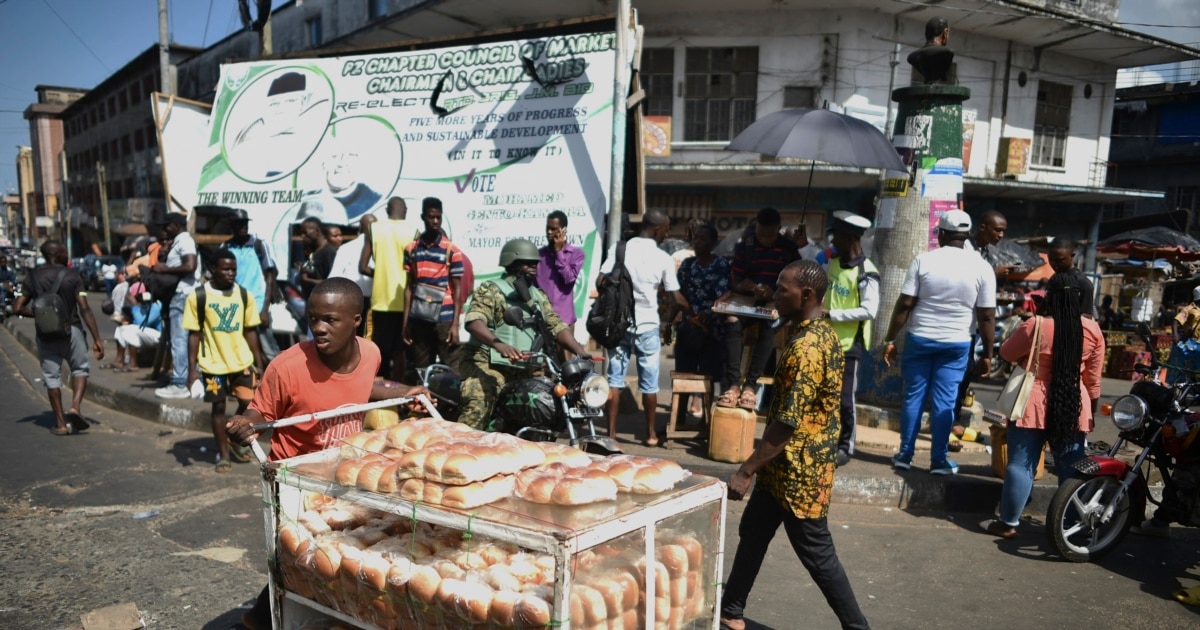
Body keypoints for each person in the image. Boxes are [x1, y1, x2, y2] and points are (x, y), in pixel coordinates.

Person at [225, 277, 430, 630]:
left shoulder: (371, 353)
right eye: (313, 319)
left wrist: (404, 390)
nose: (319, 328)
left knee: (340, 554)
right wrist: (244, 425)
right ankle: (257, 620)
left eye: (330, 320)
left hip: (345, 475)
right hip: (296, 483)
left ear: (356, 320)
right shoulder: (287, 366)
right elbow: (259, 413)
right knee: (298, 554)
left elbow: (368, 384)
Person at [721, 260, 870, 630]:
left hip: (800, 476)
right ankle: (731, 609)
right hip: (781, 468)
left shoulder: (807, 348)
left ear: (805, 295)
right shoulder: (821, 332)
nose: (774, 294)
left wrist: (745, 470)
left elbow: (787, 422)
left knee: (818, 556)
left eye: (782, 289)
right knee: (754, 532)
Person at [979, 271, 1104, 538]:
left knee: (1021, 464)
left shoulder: (1036, 324)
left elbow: (1006, 353)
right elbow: (1093, 381)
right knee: (1071, 468)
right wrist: (1090, 413)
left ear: (1050, 296)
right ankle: (1070, 527)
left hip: (1032, 402)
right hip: (1073, 405)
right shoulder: (1093, 330)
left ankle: (1008, 523)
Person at [881, 210, 996, 474]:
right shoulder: (982, 267)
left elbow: (905, 304)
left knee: (914, 397)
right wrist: (988, 355)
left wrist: (890, 339)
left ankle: (905, 455)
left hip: (920, 338)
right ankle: (938, 461)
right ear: (967, 235)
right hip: (957, 344)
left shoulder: (923, 260)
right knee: (945, 402)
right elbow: (987, 316)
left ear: (941, 234)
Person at [458, 239, 589, 430]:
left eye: (535, 263)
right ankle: (461, 442)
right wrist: (498, 344)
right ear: (512, 264)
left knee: (544, 406)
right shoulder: (492, 289)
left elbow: (557, 326)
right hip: (486, 364)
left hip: (523, 370)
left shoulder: (537, 296)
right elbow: (474, 321)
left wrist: (580, 351)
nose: (534, 267)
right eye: (527, 264)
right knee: (480, 403)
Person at [601, 210, 686, 446]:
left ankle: (611, 434)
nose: (667, 234)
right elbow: (676, 298)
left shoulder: (620, 249)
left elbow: (601, 280)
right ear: (657, 229)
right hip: (648, 325)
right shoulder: (662, 258)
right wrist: (691, 313)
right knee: (650, 385)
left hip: (620, 324)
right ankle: (650, 434)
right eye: (666, 229)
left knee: (614, 380)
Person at [14, 240, 105, 435]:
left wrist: (41, 315)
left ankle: (61, 424)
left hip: (45, 334)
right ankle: (75, 407)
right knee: (80, 369)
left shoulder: (32, 277)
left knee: (52, 378)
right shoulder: (72, 275)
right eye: (64, 252)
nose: (67, 254)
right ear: (58, 255)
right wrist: (97, 338)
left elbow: (18, 307)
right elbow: (85, 308)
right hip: (72, 330)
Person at [185, 249, 264, 472]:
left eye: (234, 270)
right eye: (226, 269)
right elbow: (193, 334)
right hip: (213, 364)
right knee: (218, 407)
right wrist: (191, 370)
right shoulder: (198, 296)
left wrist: (259, 362)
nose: (231, 273)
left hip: (242, 361)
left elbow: (250, 330)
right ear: (213, 269)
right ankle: (223, 454)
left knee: (249, 403)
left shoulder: (244, 295)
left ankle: (233, 436)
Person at [717, 207, 799, 411]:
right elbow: (734, 281)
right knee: (731, 321)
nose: (763, 239)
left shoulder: (788, 249)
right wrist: (742, 285)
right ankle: (734, 384)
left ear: (778, 230)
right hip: (747, 301)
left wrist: (774, 293)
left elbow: (797, 284)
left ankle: (750, 386)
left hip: (775, 304)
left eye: (768, 236)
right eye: (760, 234)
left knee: (770, 325)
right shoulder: (745, 247)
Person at [950, 209, 1012, 451]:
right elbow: (964, 280)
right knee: (956, 376)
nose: (1001, 235)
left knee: (966, 376)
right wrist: (993, 274)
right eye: (998, 230)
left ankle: (954, 422)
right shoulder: (965, 249)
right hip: (961, 324)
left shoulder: (986, 252)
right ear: (983, 227)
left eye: (1003, 231)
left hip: (974, 324)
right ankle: (947, 426)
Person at [822, 211, 878, 467]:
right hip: (826, 341)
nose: (833, 241)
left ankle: (846, 446)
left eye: (837, 236)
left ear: (850, 238)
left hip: (849, 346)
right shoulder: (833, 263)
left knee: (845, 399)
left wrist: (832, 314)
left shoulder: (867, 271)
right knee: (824, 395)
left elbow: (869, 310)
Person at [360, 196, 421, 381]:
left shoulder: (374, 229)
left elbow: (363, 267)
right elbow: (417, 270)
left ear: (387, 210)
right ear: (405, 211)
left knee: (378, 351)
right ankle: (399, 392)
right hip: (405, 302)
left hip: (380, 301)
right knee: (400, 351)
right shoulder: (414, 232)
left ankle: (379, 391)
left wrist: (380, 273)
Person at [675, 223, 730, 417]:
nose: (697, 242)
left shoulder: (721, 265)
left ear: (713, 242)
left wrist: (708, 313)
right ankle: (679, 417)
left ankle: (705, 421)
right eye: (696, 238)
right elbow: (678, 293)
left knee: (708, 377)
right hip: (689, 326)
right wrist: (670, 321)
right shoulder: (687, 265)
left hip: (712, 329)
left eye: (703, 239)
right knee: (683, 374)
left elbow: (726, 293)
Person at [403, 197, 464, 370]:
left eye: (438, 217)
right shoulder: (411, 249)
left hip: (444, 320)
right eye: (431, 217)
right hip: (419, 318)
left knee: (451, 368)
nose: (435, 221)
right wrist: (406, 323)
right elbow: (409, 288)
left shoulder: (452, 250)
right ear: (423, 217)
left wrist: (455, 325)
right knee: (422, 369)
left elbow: (457, 289)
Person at [220, 209, 281, 362]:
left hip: (258, 305)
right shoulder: (226, 247)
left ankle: (278, 375)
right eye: (239, 224)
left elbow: (270, 276)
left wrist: (265, 309)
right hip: (234, 306)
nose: (243, 227)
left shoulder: (258, 245)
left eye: (245, 223)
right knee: (240, 349)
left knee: (269, 350)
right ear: (231, 226)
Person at [154, 213, 202, 399]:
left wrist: (164, 268)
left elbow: (190, 266)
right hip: (184, 295)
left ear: (176, 225)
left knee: (179, 340)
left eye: (167, 226)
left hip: (183, 295)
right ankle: (191, 380)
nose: (164, 230)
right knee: (188, 339)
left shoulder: (185, 241)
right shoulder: (179, 242)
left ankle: (180, 383)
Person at [535, 210, 585, 329]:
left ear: (563, 231)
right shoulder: (538, 255)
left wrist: (559, 252)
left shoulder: (576, 254)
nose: (549, 232)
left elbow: (569, 278)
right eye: (548, 228)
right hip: (542, 319)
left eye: (553, 229)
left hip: (564, 320)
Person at [330, 214, 376, 337]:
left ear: (359, 228)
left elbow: (334, 278)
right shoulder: (380, 249)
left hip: (351, 300)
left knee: (352, 336)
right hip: (375, 301)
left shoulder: (346, 248)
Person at [109, 281, 162, 372]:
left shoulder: (157, 305)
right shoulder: (143, 306)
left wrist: (134, 305)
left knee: (131, 330)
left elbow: (142, 323)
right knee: (120, 329)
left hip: (160, 336)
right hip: (148, 334)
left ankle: (133, 363)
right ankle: (119, 360)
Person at [1048, 238, 1096, 318]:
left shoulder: (1082, 283)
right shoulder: (1054, 279)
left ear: (1072, 256)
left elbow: (1086, 316)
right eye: (1050, 259)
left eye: (1059, 260)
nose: (1053, 263)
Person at [298, 218, 337, 301]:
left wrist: (306, 280)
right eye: (301, 233)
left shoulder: (328, 252)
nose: (302, 236)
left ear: (317, 231)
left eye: (305, 232)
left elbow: (332, 283)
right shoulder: (312, 252)